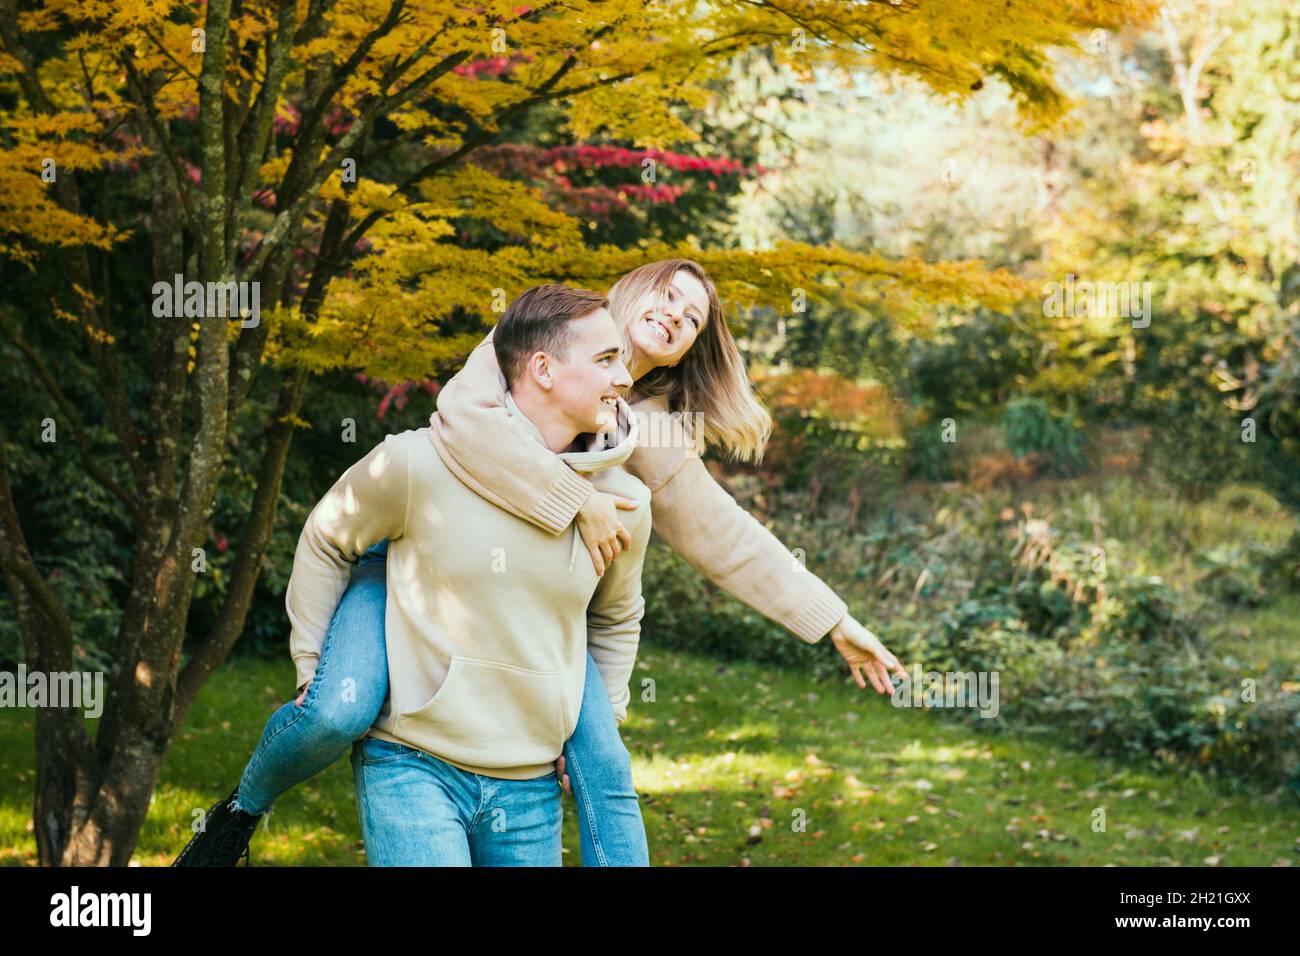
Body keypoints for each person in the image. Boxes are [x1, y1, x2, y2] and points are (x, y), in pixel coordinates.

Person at [175, 258, 905, 867]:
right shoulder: (542, 339)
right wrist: (574, 500)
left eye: (693, 320)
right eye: (668, 296)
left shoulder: (644, 432)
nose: (677, 317)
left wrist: (832, 621)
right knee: (337, 708)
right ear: (629, 290)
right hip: (412, 556)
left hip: (540, 612)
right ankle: (239, 817)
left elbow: (728, 539)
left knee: (606, 764)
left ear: (691, 349)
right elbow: (464, 419)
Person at [174, 284, 651, 866]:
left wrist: (598, 724)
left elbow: (617, 615)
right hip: (411, 765)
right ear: (543, 368)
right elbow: (328, 536)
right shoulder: (418, 463)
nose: (626, 378)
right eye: (606, 359)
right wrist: (310, 669)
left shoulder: (624, 503)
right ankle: (234, 822)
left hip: (529, 785)